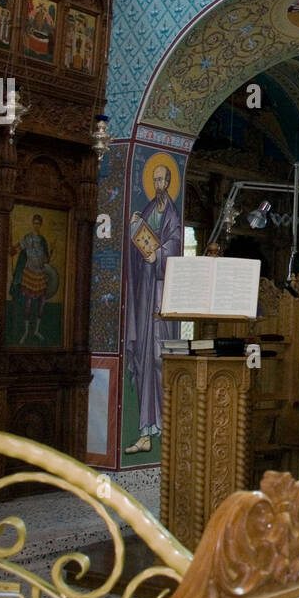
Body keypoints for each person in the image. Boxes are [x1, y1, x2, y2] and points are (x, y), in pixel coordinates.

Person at [125, 163, 182, 454]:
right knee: (145, 359)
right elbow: (138, 245)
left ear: (169, 182)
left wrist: (156, 255)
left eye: (162, 179)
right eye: (155, 179)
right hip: (145, 294)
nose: (158, 184)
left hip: (161, 294)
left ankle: (162, 426)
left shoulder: (172, 215)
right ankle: (146, 432)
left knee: (159, 358)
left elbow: (174, 247)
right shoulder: (148, 210)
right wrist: (136, 223)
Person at [9, 214, 56, 344]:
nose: (36, 225)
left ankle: (36, 330)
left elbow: (46, 260)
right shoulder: (27, 238)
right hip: (29, 274)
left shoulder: (42, 240)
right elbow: (15, 250)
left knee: (41, 303)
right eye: (34, 222)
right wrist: (11, 247)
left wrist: (50, 252)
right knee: (28, 304)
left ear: (40, 225)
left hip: (40, 274)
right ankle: (25, 332)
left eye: (38, 223)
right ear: (32, 223)